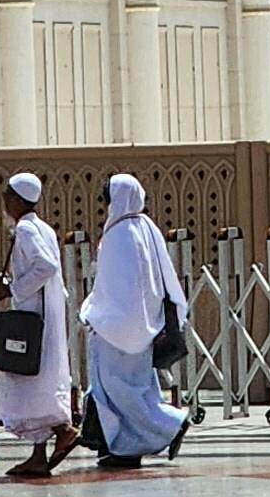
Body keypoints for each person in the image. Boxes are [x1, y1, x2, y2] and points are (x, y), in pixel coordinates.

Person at [81, 174, 191, 468]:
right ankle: (125, 447)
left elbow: (112, 288)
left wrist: (92, 313)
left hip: (117, 329)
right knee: (135, 387)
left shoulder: (118, 235)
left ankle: (170, 423)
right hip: (144, 326)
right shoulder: (147, 228)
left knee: (118, 388)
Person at [0, 172, 77, 479]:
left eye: (7, 196)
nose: (4, 202)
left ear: (17, 199)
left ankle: (64, 430)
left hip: (31, 320)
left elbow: (46, 266)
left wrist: (12, 289)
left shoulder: (26, 229)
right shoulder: (43, 228)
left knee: (28, 378)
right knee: (35, 381)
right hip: (42, 316)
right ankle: (38, 456)